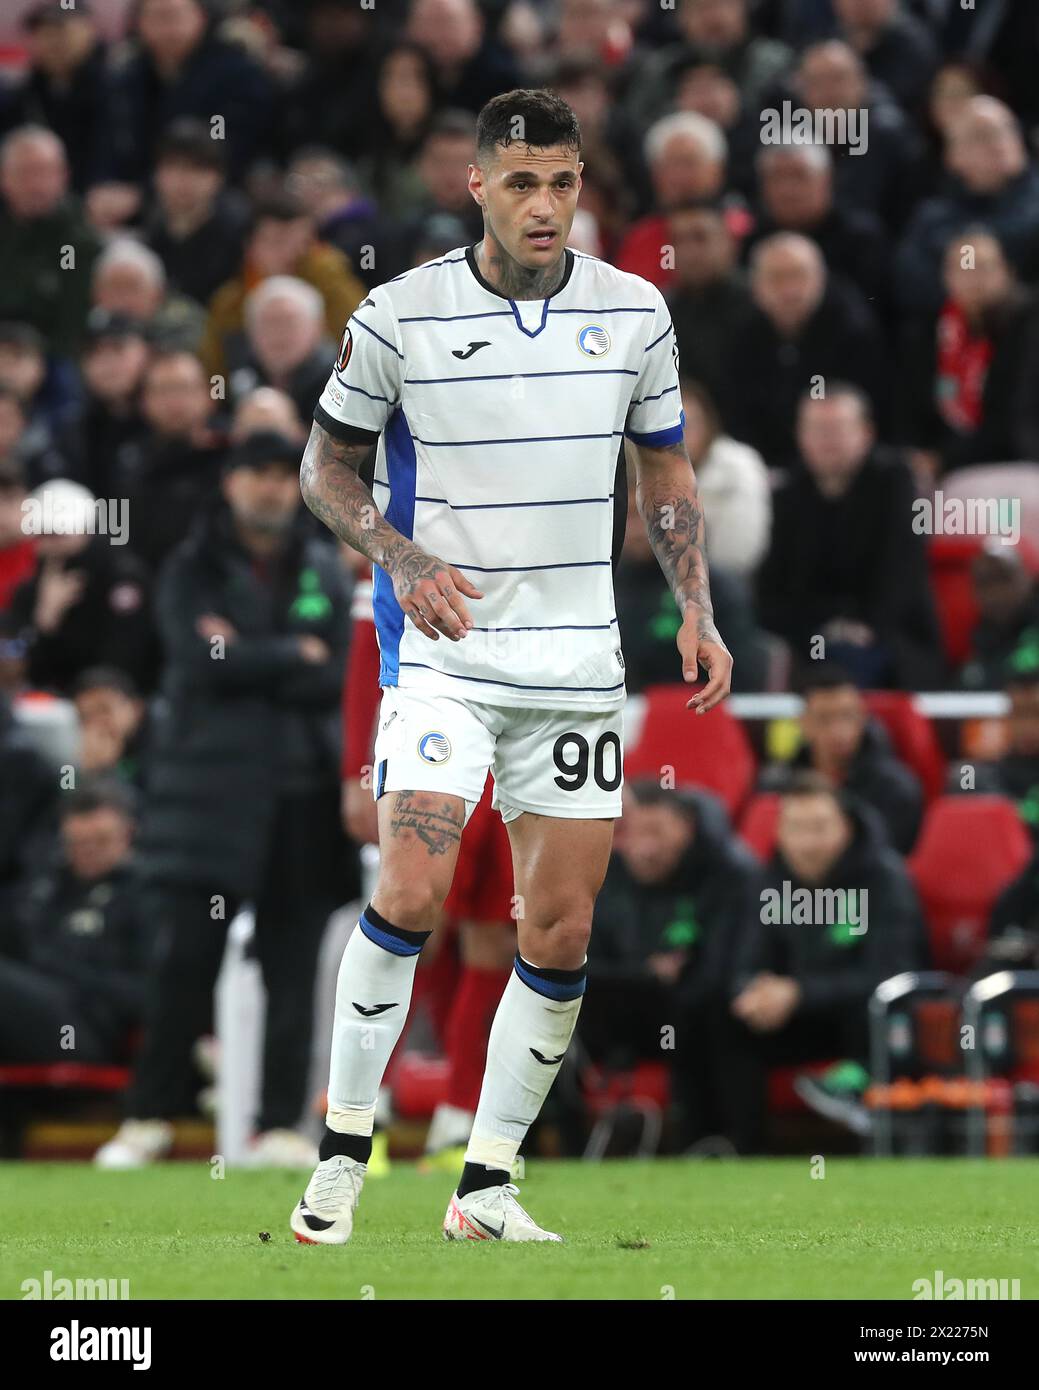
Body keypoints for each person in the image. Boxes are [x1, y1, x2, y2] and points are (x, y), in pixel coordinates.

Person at [293, 88, 732, 1244]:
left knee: (560, 931)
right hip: (443, 652)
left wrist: (696, 606)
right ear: (476, 184)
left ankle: (485, 1185)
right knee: (412, 891)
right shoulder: (400, 314)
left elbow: (667, 477)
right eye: (524, 181)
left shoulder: (636, 313)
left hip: (579, 662)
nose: (547, 205)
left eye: (565, 182)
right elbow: (324, 469)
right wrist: (398, 555)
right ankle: (341, 1151)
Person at [94, 431, 353, 1169]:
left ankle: (276, 1126)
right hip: (206, 796)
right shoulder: (188, 566)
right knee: (185, 963)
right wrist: (286, 653)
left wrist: (249, 653)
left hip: (300, 795)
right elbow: (197, 660)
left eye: (282, 475)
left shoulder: (319, 564)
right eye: (257, 474)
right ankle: (148, 1118)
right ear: (231, 483)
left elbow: (333, 670)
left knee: (293, 966)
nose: (272, 489)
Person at [706, 772, 927, 1152]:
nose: (807, 842)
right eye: (796, 828)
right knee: (720, 1016)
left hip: (865, 1020)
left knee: (878, 1012)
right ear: (779, 832)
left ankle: (869, 1129)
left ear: (847, 827)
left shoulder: (885, 880)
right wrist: (754, 993)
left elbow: (892, 975)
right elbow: (744, 964)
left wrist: (799, 993)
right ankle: (737, 1152)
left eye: (820, 827)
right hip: (798, 1021)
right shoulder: (768, 882)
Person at [587, 780, 762, 1148]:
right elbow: (583, 966)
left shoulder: (730, 875)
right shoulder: (604, 875)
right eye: (634, 832)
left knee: (717, 1019)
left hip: (701, 1018)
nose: (645, 848)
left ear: (686, 827)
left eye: (657, 832)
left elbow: (722, 975)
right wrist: (646, 975)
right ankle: (543, 1155)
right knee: (539, 1011)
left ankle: (723, 1148)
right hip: (622, 1014)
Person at [757, 386, 944, 689]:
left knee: (850, 665)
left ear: (866, 433)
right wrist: (820, 630)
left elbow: (902, 576)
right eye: (817, 430)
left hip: (891, 638)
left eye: (837, 429)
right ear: (799, 435)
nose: (827, 440)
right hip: (811, 640)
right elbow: (776, 589)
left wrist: (865, 628)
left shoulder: (895, 482)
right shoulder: (789, 495)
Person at [0, 780, 149, 1067]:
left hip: (87, 1029)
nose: (87, 851)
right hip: (28, 1012)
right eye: (76, 843)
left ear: (128, 834)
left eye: (101, 841)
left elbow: (146, 996)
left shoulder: (144, 898)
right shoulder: (47, 889)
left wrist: (67, 971)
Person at [761, 663, 924, 854]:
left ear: (863, 718)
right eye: (825, 718)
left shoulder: (895, 788)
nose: (838, 731)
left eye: (847, 716)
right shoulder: (778, 783)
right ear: (803, 723)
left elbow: (891, 859)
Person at [959, 547, 1039, 693]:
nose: (994, 593)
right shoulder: (978, 639)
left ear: (1029, 579)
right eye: (984, 583)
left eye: (1004, 579)